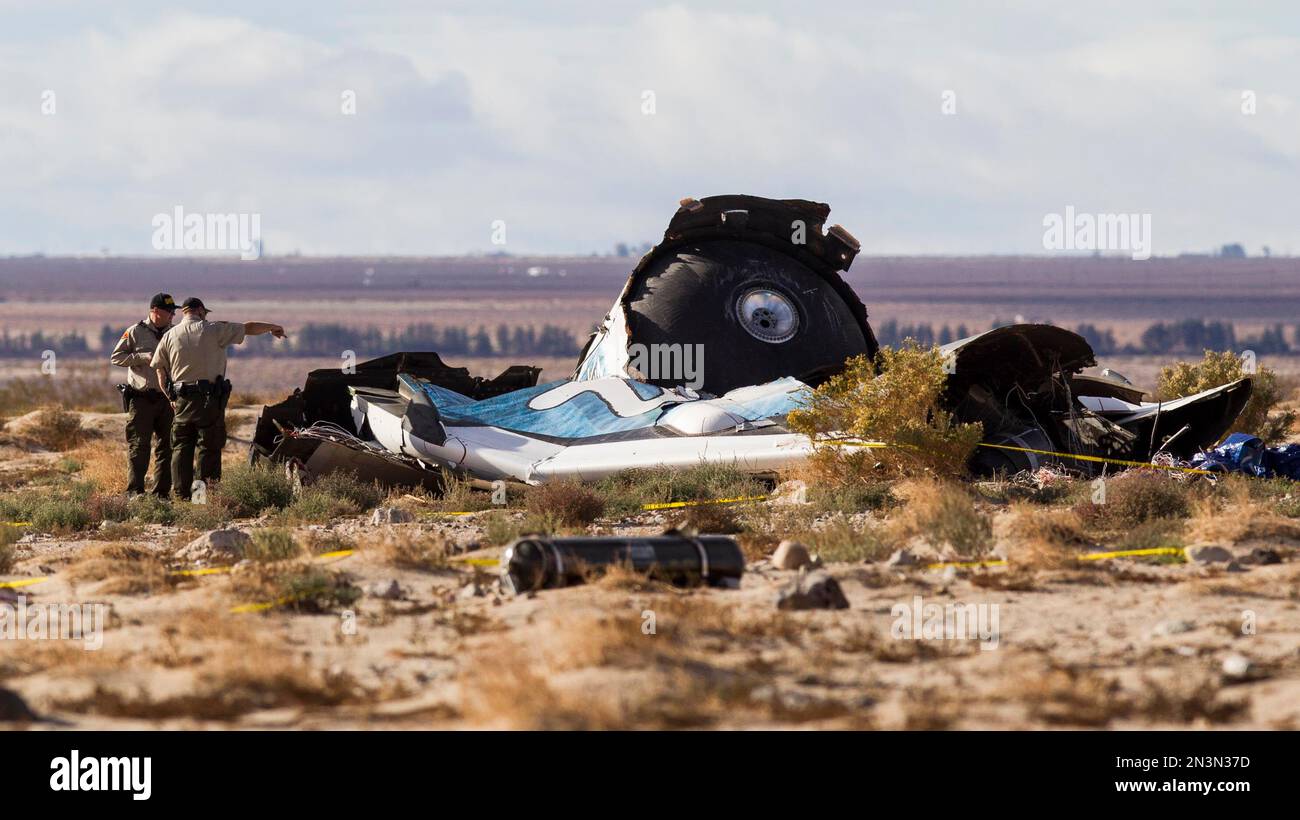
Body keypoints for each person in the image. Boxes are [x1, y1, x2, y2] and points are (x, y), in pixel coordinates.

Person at [150, 297, 286, 501]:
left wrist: (170, 396)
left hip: (182, 401)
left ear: (184, 312)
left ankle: (181, 497)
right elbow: (248, 328)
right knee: (208, 448)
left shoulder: (169, 335)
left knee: (181, 449)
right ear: (200, 311)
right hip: (209, 401)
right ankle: (202, 498)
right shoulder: (214, 330)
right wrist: (273, 327)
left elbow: (159, 369)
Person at [110, 293, 177, 497]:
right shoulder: (135, 331)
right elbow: (116, 357)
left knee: (167, 447)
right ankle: (135, 492)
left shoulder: (174, 333)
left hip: (167, 399)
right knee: (139, 446)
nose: (173, 315)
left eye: (174, 312)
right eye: (169, 312)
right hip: (141, 399)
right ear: (155, 311)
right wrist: (140, 357)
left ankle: (161, 494)